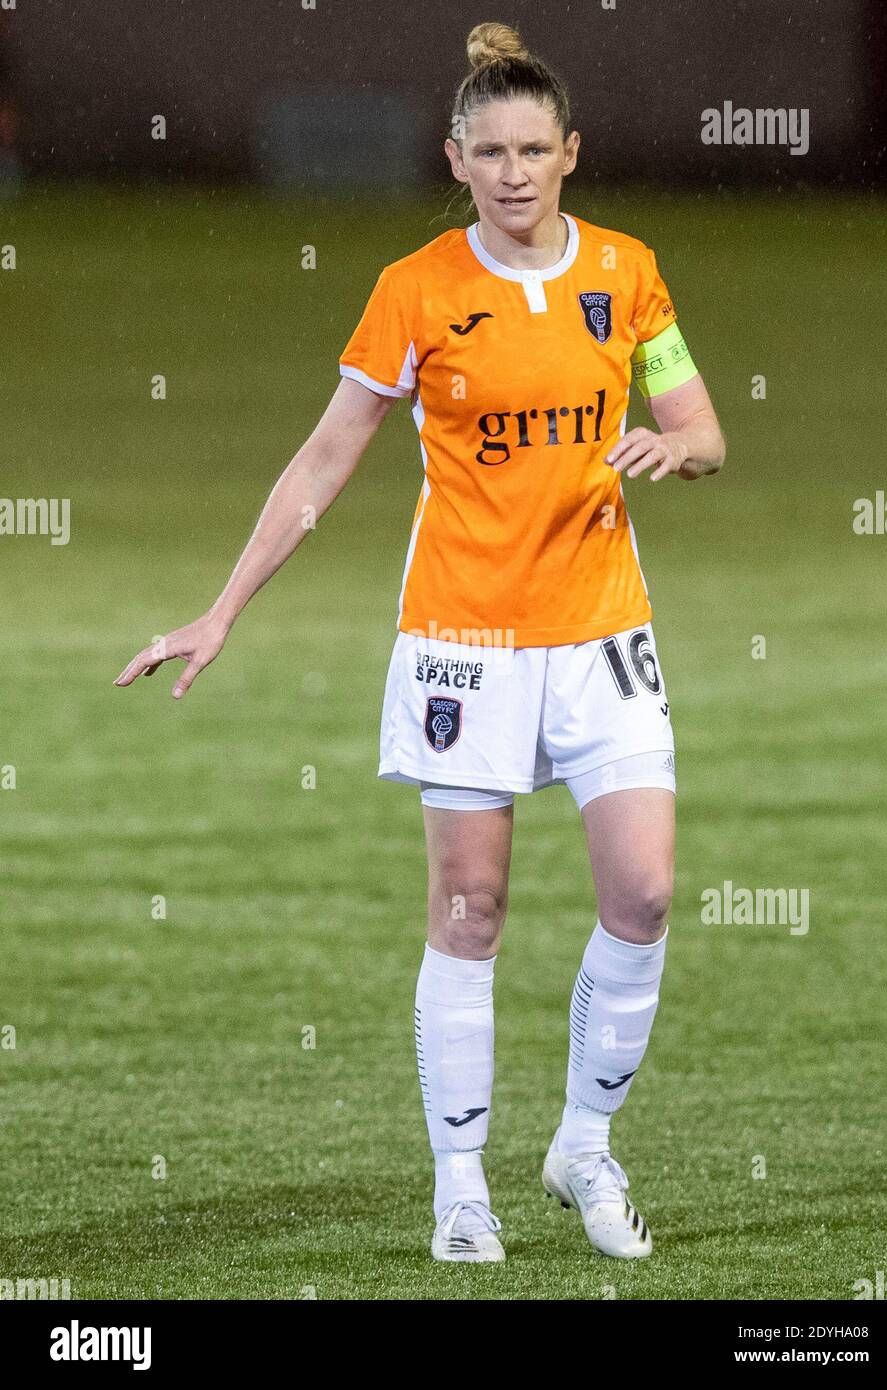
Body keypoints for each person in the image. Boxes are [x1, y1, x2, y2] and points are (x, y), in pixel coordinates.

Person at [114, 20, 726, 1265]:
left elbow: (701, 424)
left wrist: (679, 447)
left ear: (570, 153)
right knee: (470, 905)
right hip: (464, 639)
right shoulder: (417, 290)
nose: (511, 171)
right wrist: (224, 606)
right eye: (487, 150)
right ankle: (461, 1185)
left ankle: (583, 1145)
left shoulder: (628, 271)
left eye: (532, 149)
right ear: (455, 157)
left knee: (647, 889)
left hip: (603, 628)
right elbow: (327, 455)